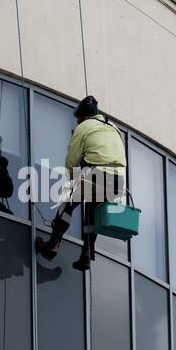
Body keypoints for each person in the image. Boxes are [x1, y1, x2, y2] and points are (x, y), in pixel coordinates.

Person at [35, 96, 127, 272]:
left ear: (84, 117)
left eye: (78, 119)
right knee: (91, 210)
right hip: (117, 180)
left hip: (94, 173)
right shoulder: (114, 128)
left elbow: (72, 158)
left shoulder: (84, 127)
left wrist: (69, 181)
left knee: (67, 205)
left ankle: (53, 245)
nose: (77, 121)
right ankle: (86, 255)